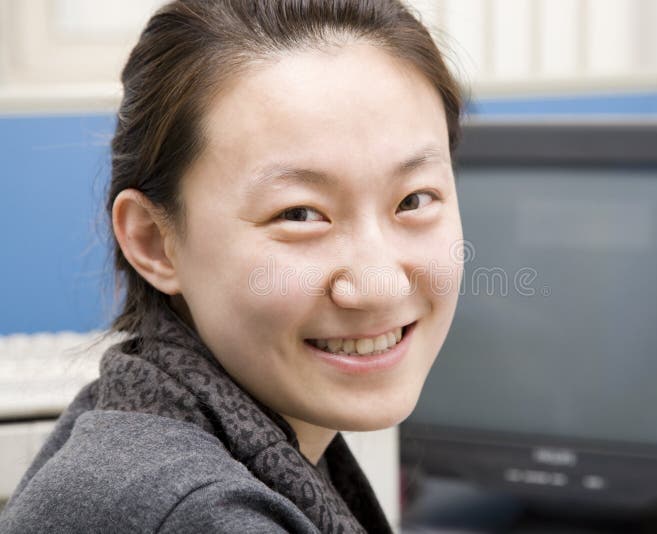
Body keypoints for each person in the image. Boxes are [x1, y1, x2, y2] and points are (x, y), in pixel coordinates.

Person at [0, 0, 463, 532]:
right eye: (299, 214)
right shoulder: (191, 512)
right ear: (154, 241)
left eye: (413, 200)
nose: (380, 285)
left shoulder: (154, 418)